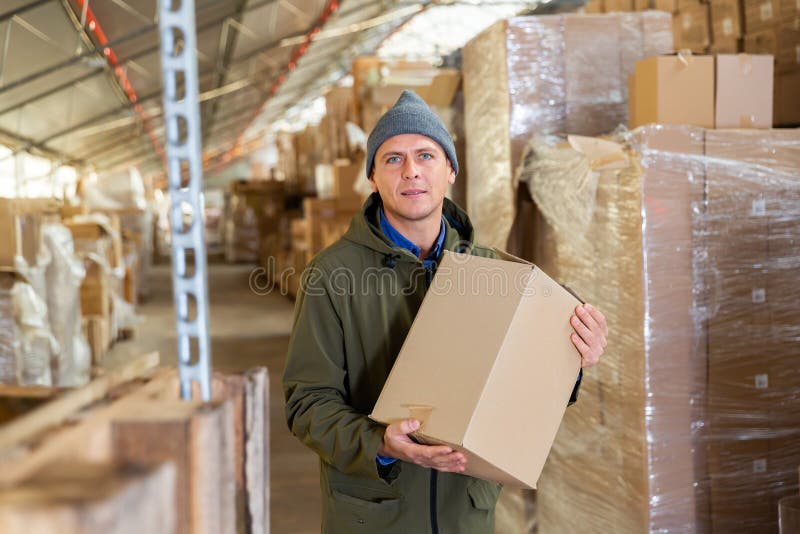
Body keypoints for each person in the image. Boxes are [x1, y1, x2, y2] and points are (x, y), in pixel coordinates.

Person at [282, 90, 608, 534]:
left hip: (465, 514)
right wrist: (381, 443)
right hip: (376, 516)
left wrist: (571, 358)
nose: (412, 170)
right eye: (393, 159)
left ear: (450, 170)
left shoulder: (493, 271)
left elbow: (522, 386)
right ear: (373, 178)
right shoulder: (332, 275)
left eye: (426, 155)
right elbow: (307, 405)